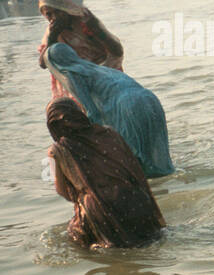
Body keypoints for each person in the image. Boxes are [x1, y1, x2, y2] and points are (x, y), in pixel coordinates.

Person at [45, 98, 165, 249]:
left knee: (75, 239)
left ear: (52, 125)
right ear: (80, 114)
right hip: (137, 202)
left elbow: (63, 191)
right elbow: (134, 171)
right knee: (152, 242)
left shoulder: (57, 150)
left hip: (101, 214)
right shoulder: (109, 133)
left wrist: (85, 196)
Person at [43, 43, 174, 178]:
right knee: (156, 160)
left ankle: (151, 195)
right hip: (150, 99)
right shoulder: (100, 69)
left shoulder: (72, 74)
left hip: (128, 105)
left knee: (134, 164)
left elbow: (92, 112)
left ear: (55, 64)